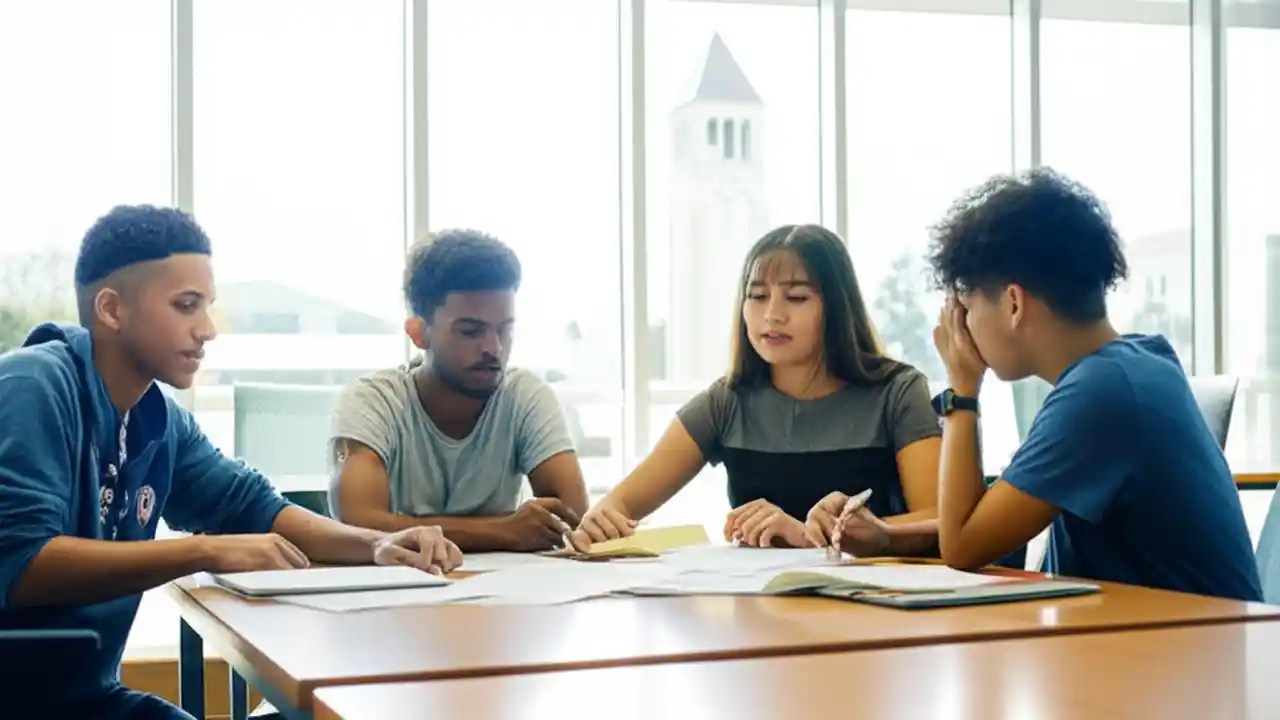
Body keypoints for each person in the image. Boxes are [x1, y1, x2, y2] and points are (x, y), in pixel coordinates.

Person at [0, 205, 462, 718]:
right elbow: (21, 565)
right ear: (111, 310)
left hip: (87, 700)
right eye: (186, 306)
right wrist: (205, 552)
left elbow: (249, 504)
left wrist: (375, 545)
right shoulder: (33, 386)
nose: (207, 330)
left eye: (207, 306)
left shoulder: (159, 420)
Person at [928, 168, 1262, 601]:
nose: (963, 330)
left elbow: (962, 546)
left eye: (966, 308)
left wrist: (962, 390)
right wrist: (887, 538)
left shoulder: (1100, 393)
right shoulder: (1137, 363)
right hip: (1173, 646)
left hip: (1184, 656)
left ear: (1013, 303)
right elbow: (996, 511)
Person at [570, 224, 942, 556]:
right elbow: (621, 504)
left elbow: (939, 520)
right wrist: (603, 518)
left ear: (838, 308)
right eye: (758, 296)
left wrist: (812, 537)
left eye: (796, 297)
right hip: (758, 610)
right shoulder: (727, 401)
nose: (772, 314)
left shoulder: (898, 392)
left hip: (874, 604)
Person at [329, 229, 589, 552]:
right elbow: (356, 522)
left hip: (504, 595)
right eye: (471, 331)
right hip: (395, 595)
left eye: (505, 329)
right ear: (418, 333)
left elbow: (573, 517)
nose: (493, 348)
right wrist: (502, 531)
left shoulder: (524, 395)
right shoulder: (372, 401)